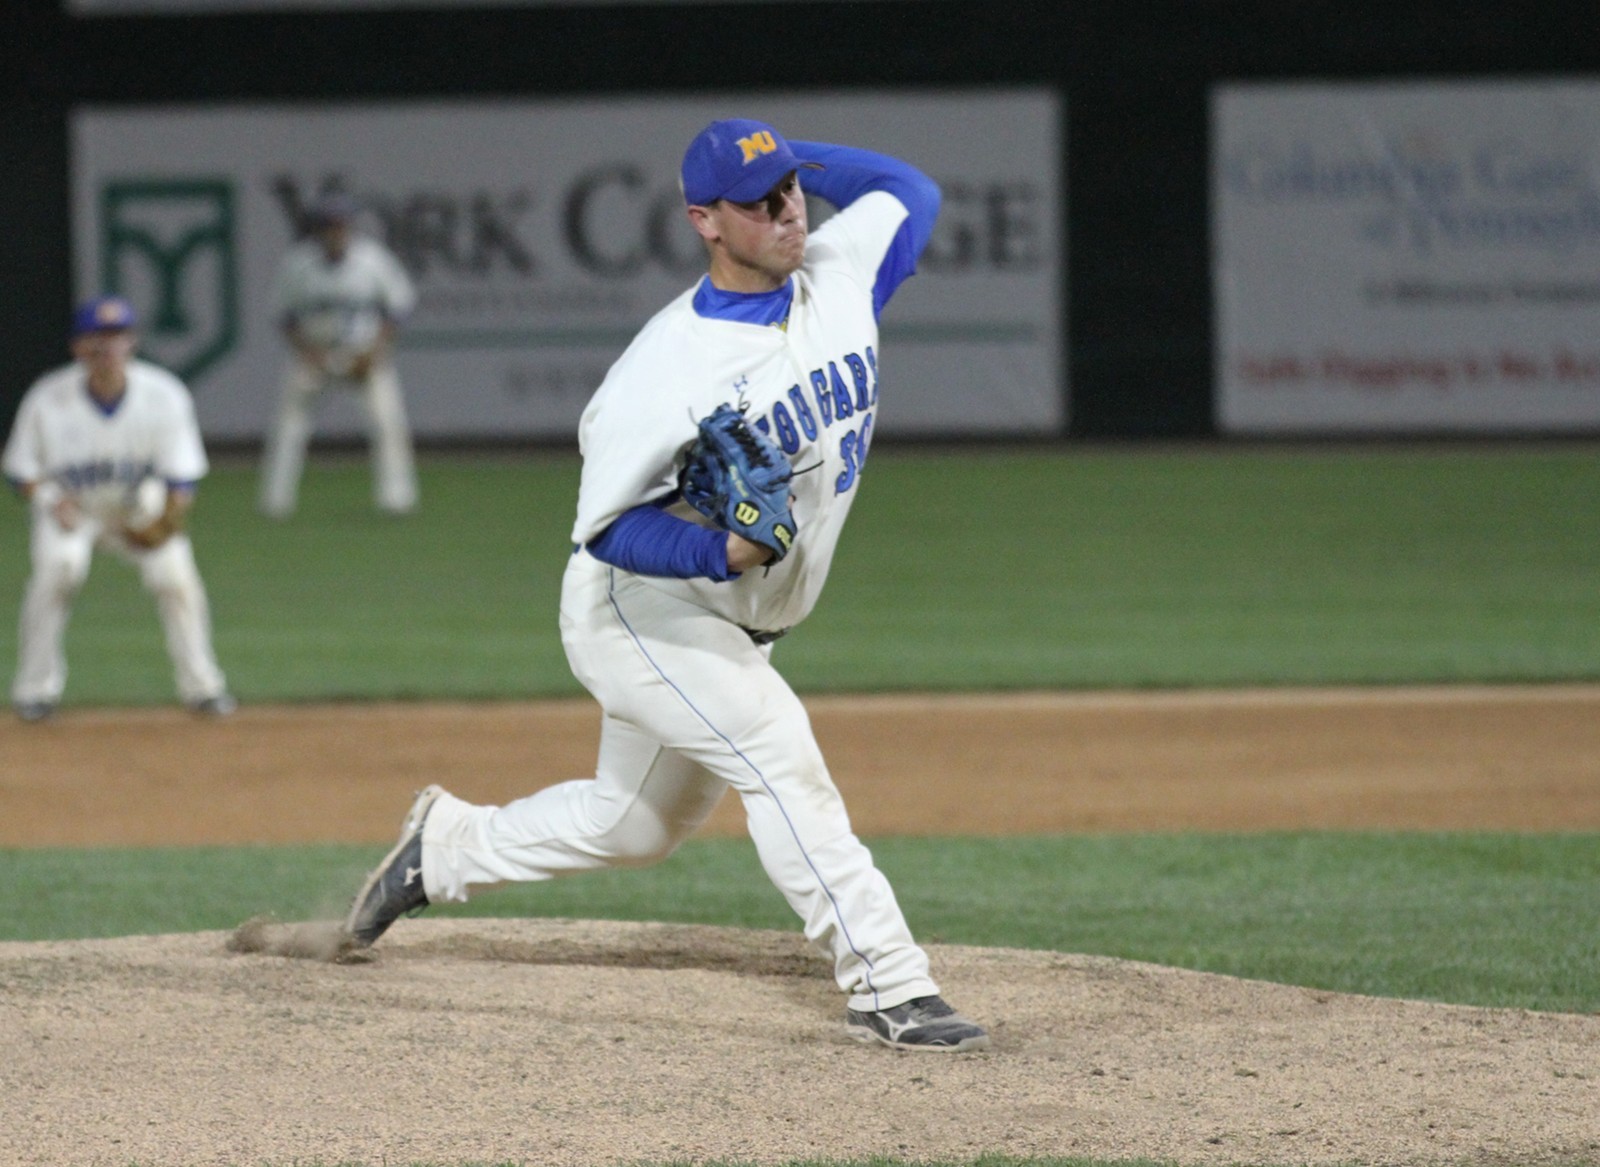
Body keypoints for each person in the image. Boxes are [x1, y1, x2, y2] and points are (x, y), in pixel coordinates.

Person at [344, 119, 989, 1053]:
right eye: (758, 202)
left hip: (731, 622)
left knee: (633, 824)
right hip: (639, 611)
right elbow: (608, 530)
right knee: (778, 751)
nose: (786, 212)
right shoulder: (659, 373)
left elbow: (910, 191)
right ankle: (890, 984)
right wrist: (716, 554)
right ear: (705, 222)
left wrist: (790, 154)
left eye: (791, 192)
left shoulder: (838, 274)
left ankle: (443, 847)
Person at [3, 295, 235, 721]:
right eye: (97, 339)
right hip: (73, 512)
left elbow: (182, 476)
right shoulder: (47, 398)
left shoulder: (164, 394)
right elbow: (20, 469)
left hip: (137, 511)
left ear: (132, 343)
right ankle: (35, 691)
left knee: (176, 579)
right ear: (78, 347)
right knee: (60, 570)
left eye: (117, 337)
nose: (108, 349)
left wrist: (170, 519)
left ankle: (203, 688)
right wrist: (49, 500)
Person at [259, 193, 419, 518]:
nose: (336, 231)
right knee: (289, 426)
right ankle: (275, 502)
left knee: (388, 424)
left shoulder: (373, 259)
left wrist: (374, 352)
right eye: (330, 226)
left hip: (364, 354)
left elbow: (397, 308)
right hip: (315, 354)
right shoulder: (298, 263)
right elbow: (283, 315)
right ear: (318, 230)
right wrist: (307, 352)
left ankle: (396, 499)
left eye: (342, 225)